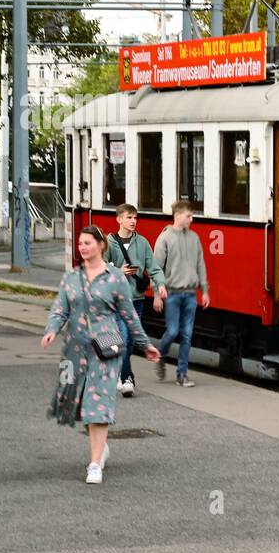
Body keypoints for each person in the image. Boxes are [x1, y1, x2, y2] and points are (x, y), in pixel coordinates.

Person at [42, 225, 160, 485]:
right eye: (80, 243)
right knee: (78, 404)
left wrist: (144, 344)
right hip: (75, 347)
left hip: (107, 344)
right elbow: (59, 309)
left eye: (88, 243)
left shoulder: (115, 278)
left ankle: (95, 463)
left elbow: (129, 315)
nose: (83, 247)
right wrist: (51, 330)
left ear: (100, 245)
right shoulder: (71, 278)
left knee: (98, 403)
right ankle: (101, 446)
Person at [103, 204, 167, 398]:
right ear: (119, 219)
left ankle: (117, 371)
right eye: (129, 217)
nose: (133, 221)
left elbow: (154, 267)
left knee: (130, 341)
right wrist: (118, 271)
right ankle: (127, 378)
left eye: (135, 218)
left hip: (137, 299)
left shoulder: (143, 243)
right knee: (122, 337)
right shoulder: (109, 242)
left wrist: (160, 284)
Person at [152, 200, 210, 387]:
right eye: (188, 216)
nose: (192, 219)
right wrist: (156, 294)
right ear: (177, 216)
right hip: (172, 294)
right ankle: (160, 355)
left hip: (190, 294)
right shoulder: (165, 238)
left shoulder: (194, 238)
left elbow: (200, 264)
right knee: (173, 331)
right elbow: (156, 268)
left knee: (187, 335)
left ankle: (181, 374)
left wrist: (205, 290)